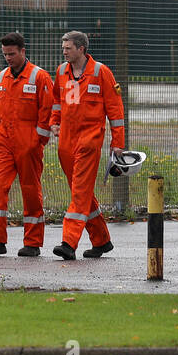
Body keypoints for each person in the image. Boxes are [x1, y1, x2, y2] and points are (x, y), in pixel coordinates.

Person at [49, 30, 124, 260]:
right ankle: (101, 241)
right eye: (63, 47)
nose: (64, 51)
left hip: (90, 140)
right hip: (66, 142)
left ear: (81, 49)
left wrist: (117, 142)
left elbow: (115, 110)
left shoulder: (101, 73)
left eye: (68, 47)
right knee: (81, 192)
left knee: (80, 191)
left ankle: (68, 243)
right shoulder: (62, 71)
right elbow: (57, 101)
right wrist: (54, 123)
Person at [0, 33, 53, 256]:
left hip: (28, 145)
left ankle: (33, 243)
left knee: (30, 192)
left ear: (22, 51)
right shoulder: (1, 78)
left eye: (11, 54)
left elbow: (47, 112)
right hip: (3, 143)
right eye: (5, 54)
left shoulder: (39, 77)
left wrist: (38, 142)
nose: (8, 58)